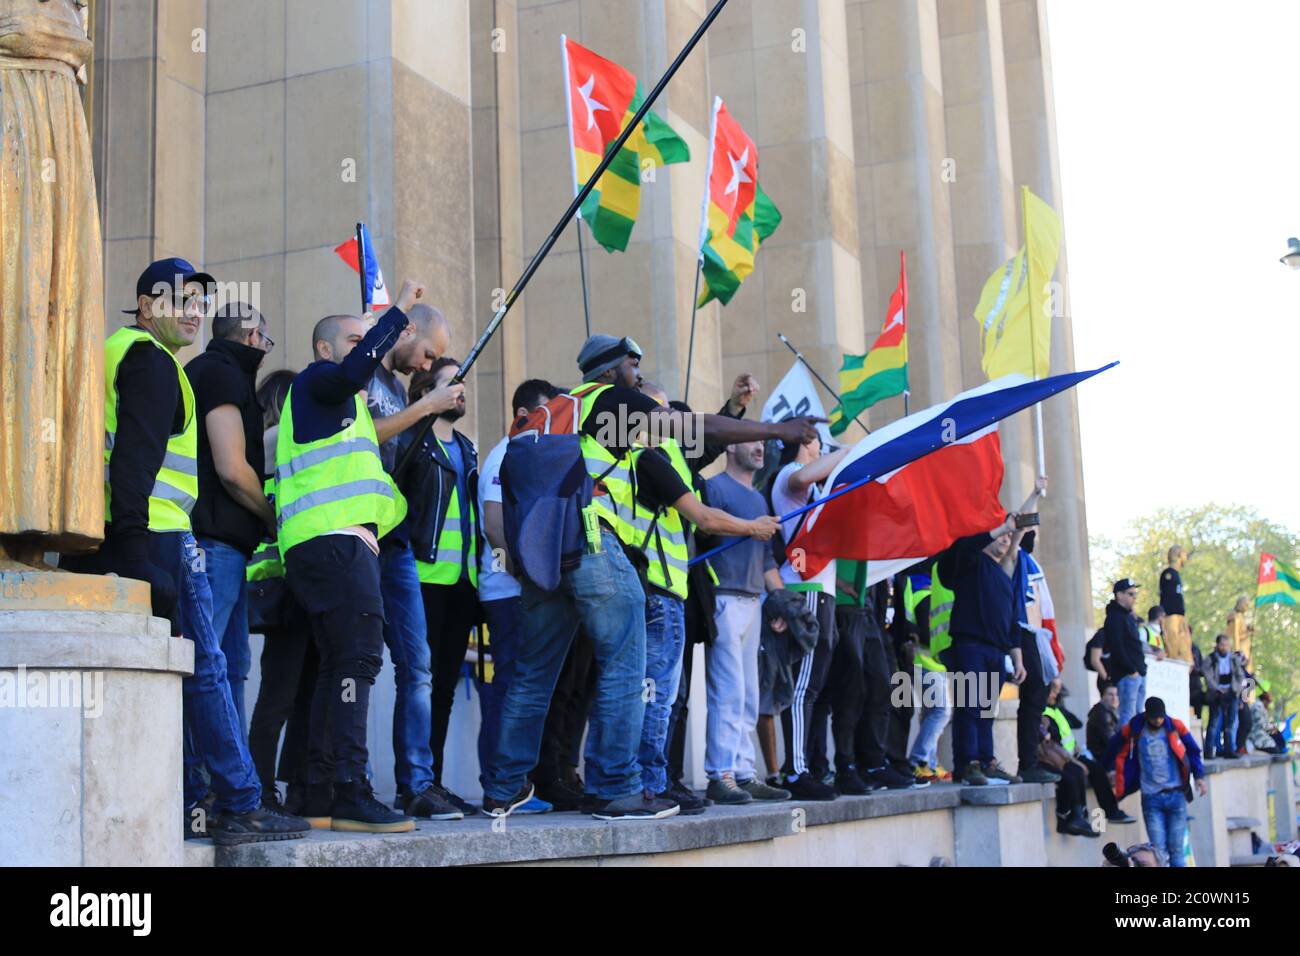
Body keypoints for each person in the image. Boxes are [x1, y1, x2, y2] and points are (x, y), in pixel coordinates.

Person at [480, 334, 820, 820]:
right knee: (623, 665)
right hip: (592, 544)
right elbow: (695, 428)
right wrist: (774, 428)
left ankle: (503, 787)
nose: (637, 375)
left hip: (543, 557)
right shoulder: (609, 402)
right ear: (609, 370)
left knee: (534, 674)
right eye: (632, 365)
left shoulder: (554, 410)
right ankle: (616, 788)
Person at [63, 258, 308, 845]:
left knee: (189, 672)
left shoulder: (120, 352)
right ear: (146, 306)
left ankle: (195, 801)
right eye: (178, 299)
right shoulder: (150, 361)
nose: (193, 309)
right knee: (208, 671)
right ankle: (241, 804)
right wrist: (136, 551)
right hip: (159, 536)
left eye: (200, 301)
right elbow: (136, 460)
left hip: (125, 535)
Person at [278, 281, 447, 833]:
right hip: (333, 542)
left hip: (334, 544)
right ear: (326, 349)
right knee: (356, 662)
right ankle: (350, 789)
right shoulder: (321, 380)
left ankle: (319, 792)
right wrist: (396, 314)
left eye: (365, 339)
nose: (362, 350)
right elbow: (357, 370)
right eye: (352, 340)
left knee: (339, 667)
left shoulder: (341, 407)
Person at [629, 384, 781, 813]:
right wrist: (751, 527)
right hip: (669, 590)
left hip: (684, 589)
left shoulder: (677, 457)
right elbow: (704, 518)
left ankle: (680, 777)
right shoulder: (650, 459)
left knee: (684, 694)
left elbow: (706, 440)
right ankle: (666, 780)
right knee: (663, 693)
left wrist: (735, 406)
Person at [353, 302, 466, 821]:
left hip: (396, 542)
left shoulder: (399, 389)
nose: (426, 365)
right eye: (428, 353)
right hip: (357, 535)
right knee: (354, 663)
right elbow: (364, 436)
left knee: (416, 667)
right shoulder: (363, 372)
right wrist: (427, 406)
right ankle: (344, 781)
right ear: (408, 330)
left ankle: (417, 783)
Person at [184, 302, 276, 737]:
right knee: (210, 663)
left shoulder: (210, 370)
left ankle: (233, 788)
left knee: (232, 666)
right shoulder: (220, 373)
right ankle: (203, 785)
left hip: (226, 547)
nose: (264, 350)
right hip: (214, 543)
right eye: (264, 340)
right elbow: (233, 470)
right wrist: (271, 516)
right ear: (251, 336)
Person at [398, 358, 484, 814]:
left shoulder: (467, 448)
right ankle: (411, 784)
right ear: (427, 391)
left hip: (461, 582)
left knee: (445, 685)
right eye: (453, 382)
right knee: (419, 681)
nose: (462, 390)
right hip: (422, 575)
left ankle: (430, 780)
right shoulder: (413, 440)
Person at [477, 379, 562, 810]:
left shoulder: (530, 452)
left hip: (523, 590)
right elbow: (494, 524)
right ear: (525, 413)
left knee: (523, 685)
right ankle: (501, 786)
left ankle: (515, 784)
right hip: (508, 592)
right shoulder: (507, 452)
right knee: (511, 686)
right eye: (547, 413)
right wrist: (527, 575)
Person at [936, 479, 1045, 786]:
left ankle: (986, 761)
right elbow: (967, 544)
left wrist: (1034, 493)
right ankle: (967, 763)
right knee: (970, 706)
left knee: (986, 710)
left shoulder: (1006, 570)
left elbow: (1012, 620)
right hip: (969, 645)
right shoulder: (971, 560)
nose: (1005, 539)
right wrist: (999, 527)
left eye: (1008, 536)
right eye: (1000, 534)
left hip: (996, 651)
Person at [245, 369, 318, 810]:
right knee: (283, 690)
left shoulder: (269, 439)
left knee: (294, 687)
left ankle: (283, 783)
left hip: (290, 579)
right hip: (286, 581)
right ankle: (266, 785)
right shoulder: (276, 439)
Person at [703, 440, 790, 804]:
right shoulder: (714, 487)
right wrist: (750, 527)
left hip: (754, 601)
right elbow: (706, 529)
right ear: (730, 445)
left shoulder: (757, 499)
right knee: (728, 690)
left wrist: (783, 601)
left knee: (749, 693)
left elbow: (767, 558)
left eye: (761, 441)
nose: (759, 447)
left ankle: (742, 771)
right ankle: (720, 773)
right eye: (750, 440)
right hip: (723, 598)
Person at [768, 432, 853, 800]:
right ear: (808, 443)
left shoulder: (814, 483)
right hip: (803, 590)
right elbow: (802, 478)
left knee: (814, 687)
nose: (824, 450)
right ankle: (795, 770)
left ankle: (809, 766)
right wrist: (849, 452)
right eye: (820, 443)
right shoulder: (791, 473)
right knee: (802, 686)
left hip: (822, 592)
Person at [1104, 696, 1207, 869]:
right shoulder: (1136, 727)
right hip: (1151, 797)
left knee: (1176, 852)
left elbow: (1194, 751)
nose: (1158, 721)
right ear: (1147, 715)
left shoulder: (1175, 725)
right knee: (1158, 853)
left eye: (1160, 717)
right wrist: (1107, 768)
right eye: (1154, 718)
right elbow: (1114, 744)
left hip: (1176, 795)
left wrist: (1199, 777)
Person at [1043, 680, 1132, 834]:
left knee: (1096, 770)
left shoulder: (1056, 710)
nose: (1056, 695)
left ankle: (1110, 812)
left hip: (1069, 754)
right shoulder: (1043, 712)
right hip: (1059, 757)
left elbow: (1076, 723)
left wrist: (1061, 707)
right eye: (1053, 691)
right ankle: (1078, 817)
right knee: (1076, 774)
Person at [907, 565, 954, 784]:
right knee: (941, 712)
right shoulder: (926, 596)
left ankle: (930, 763)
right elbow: (927, 634)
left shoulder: (913, 592)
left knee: (930, 714)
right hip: (928, 662)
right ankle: (919, 759)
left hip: (924, 663)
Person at [1103, 578, 1147, 726]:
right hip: (1128, 674)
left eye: (1135, 594)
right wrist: (1131, 669)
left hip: (1137, 672)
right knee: (1127, 715)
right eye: (1130, 594)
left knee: (1138, 714)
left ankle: (1135, 747)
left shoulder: (1128, 616)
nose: (1134, 598)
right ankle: (1127, 748)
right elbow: (1117, 647)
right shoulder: (1114, 618)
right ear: (1119, 595)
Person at [1200, 632, 1246, 759]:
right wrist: (1217, 688)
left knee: (1230, 723)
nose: (1224, 647)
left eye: (1226, 645)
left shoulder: (1233, 659)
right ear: (1217, 645)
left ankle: (1229, 750)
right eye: (1222, 645)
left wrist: (1235, 689)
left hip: (1232, 693)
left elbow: (1240, 676)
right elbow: (1207, 675)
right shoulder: (1210, 659)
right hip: (1216, 694)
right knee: (1214, 722)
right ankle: (1209, 751)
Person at [1159, 546, 1192, 663]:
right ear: (1178, 554)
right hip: (1171, 617)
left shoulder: (1177, 575)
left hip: (1180, 618)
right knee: (1173, 648)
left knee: (1184, 649)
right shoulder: (1168, 574)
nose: (1186, 557)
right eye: (1184, 553)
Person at [1086, 684, 1120, 762]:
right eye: (1110, 695)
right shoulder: (1101, 714)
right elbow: (1112, 740)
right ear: (1103, 696)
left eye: (1116, 695)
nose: (1114, 698)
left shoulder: (1108, 711)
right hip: (1102, 758)